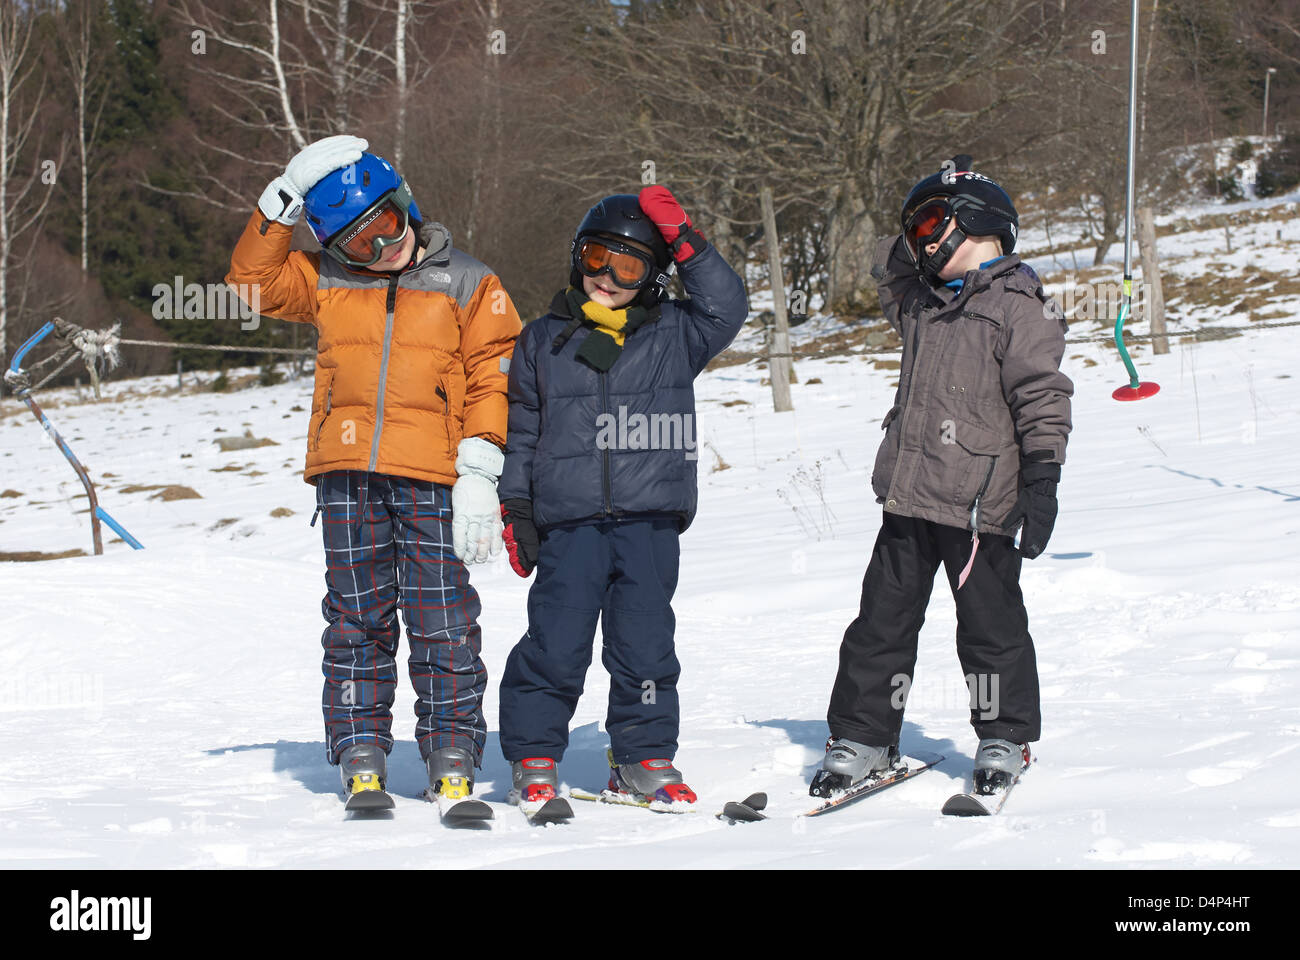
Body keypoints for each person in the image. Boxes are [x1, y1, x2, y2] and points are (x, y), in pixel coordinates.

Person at [226, 135, 521, 808]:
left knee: (442, 618)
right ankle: (361, 749)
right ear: (337, 249)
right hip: (347, 473)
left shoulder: (472, 282)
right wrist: (282, 200)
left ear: (405, 205)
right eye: (359, 244)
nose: (382, 250)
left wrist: (480, 465)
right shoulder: (327, 280)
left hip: (437, 476)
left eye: (386, 227)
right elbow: (248, 286)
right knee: (357, 620)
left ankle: (451, 748)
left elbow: (495, 375)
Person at [813, 154, 1073, 799]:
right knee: (880, 626)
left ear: (975, 225)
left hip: (980, 507)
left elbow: (1043, 395)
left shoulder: (1021, 308)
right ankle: (864, 734)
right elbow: (888, 262)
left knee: (989, 629)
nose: (921, 240)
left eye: (933, 225)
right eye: (917, 230)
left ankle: (1003, 734)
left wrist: (1044, 480)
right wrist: (931, 196)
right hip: (907, 497)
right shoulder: (920, 306)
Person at [495, 187, 747, 807]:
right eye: (596, 257)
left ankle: (644, 754)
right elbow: (522, 431)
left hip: (649, 521)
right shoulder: (542, 340)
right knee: (555, 641)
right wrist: (518, 508)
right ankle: (534, 752)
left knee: (645, 646)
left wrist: (686, 240)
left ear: (653, 276)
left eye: (629, 266)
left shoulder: (675, 334)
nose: (607, 276)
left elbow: (727, 306)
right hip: (568, 522)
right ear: (577, 257)